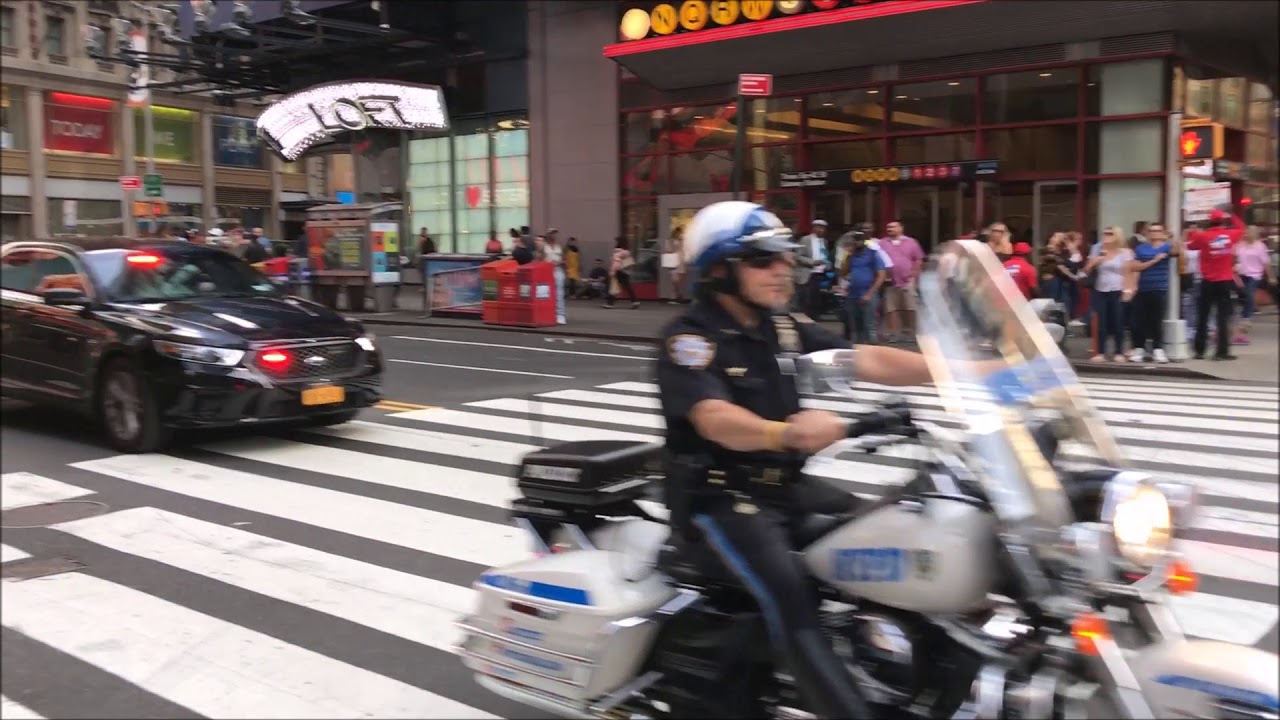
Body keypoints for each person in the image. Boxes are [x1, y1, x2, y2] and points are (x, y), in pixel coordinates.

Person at [656, 201, 980, 720]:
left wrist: (966, 370)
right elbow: (713, 417)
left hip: (784, 488)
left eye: (785, 257)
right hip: (720, 498)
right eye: (763, 259)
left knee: (888, 539)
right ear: (719, 270)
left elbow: (865, 358)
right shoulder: (690, 340)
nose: (782, 268)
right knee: (793, 599)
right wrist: (783, 433)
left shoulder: (782, 328)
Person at [1186, 208, 1245, 360]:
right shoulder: (1230, 235)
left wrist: (1192, 231)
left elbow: (1190, 245)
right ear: (1222, 221)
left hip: (1207, 281)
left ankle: (1199, 350)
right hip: (1225, 281)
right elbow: (1241, 228)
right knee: (1222, 317)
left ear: (1209, 222)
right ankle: (1221, 351)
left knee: (1203, 316)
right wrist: (1232, 214)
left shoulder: (1203, 236)